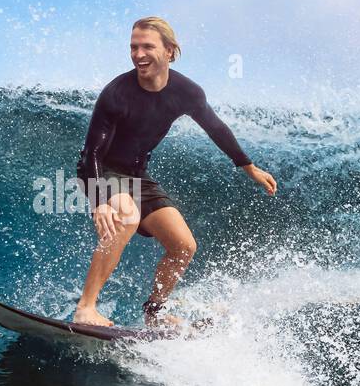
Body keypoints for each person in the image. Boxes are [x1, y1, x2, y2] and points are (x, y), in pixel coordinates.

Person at [73, 17, 277, 327]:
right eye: (133, 47)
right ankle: (86, 308)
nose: (138, 54)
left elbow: (216, 128)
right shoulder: (116, 93)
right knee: (125, 214)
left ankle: (154, 314)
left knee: (183, 246)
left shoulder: (186, 92)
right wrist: (101, 199)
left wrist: (248, 167)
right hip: (101, 171)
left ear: (170, 51)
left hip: (137, 175)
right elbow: (92, 154)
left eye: (147, 46)